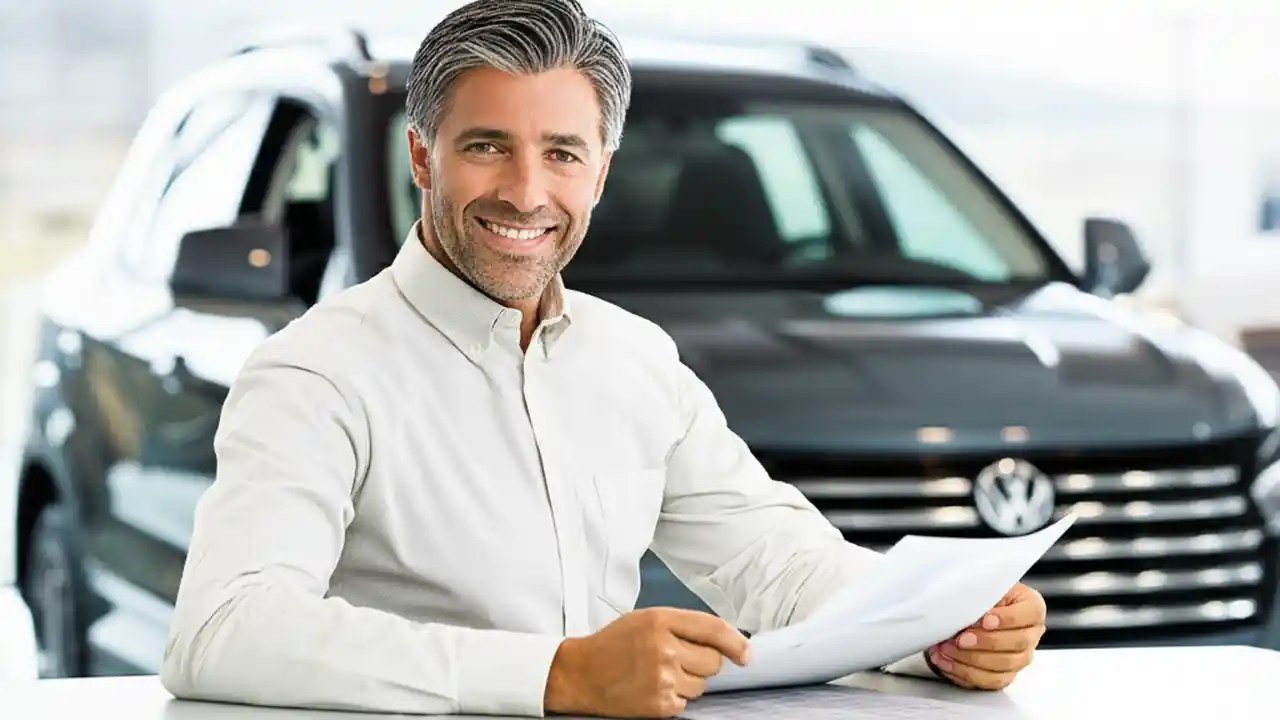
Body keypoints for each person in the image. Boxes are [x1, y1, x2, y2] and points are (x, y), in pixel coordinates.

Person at [161, 0, 1048, 716]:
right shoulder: (316, 372)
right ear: (422, 158)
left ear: (601, 174)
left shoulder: (635, 362)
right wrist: (557, 676)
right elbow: (227, 630)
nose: (525, 190)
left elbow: (777, 565)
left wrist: (940, 628)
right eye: (486, 147)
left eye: (561, 153)